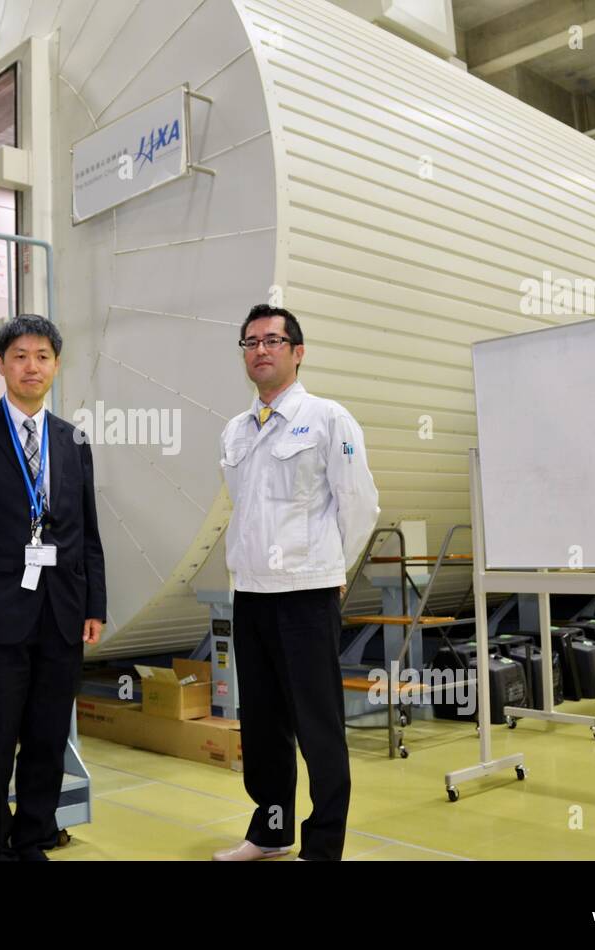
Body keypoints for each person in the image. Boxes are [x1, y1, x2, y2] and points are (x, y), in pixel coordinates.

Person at [213, 303, 380, 862]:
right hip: (252, 594)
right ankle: (271, 832)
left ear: (297, 352)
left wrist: (331, 571)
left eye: (274, 340)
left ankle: (324, 846)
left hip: (307, 594)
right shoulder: (235, 431)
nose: (261, 349)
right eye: (251, 341)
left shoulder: (330, 420)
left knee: (318, 726)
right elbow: (245, 510)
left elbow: (360, 506)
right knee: (261, 724)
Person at [0, 313, 107, 861]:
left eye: (42, 356)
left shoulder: (72, 438)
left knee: (47, 736)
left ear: (56, 365)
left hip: (61, 613)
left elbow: (87, 530)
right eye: (20, 356)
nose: (31, 366)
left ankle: (33, 837)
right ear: (2, 364)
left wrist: (94, 604)